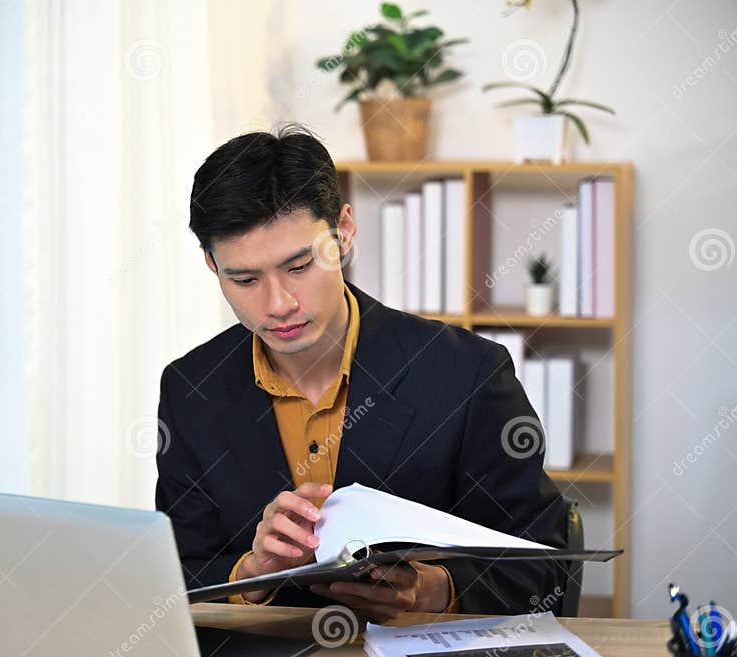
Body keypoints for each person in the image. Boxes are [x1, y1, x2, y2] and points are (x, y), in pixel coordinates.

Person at [154, 125, 565, 620]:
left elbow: (545, 568)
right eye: (244, 279)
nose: (278, 305)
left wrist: (435, 590)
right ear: (210, 265)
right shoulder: (189, 388)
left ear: (343, 231)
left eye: (300, 266)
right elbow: (174, 574)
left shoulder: (468, 374)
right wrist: (250, 574)